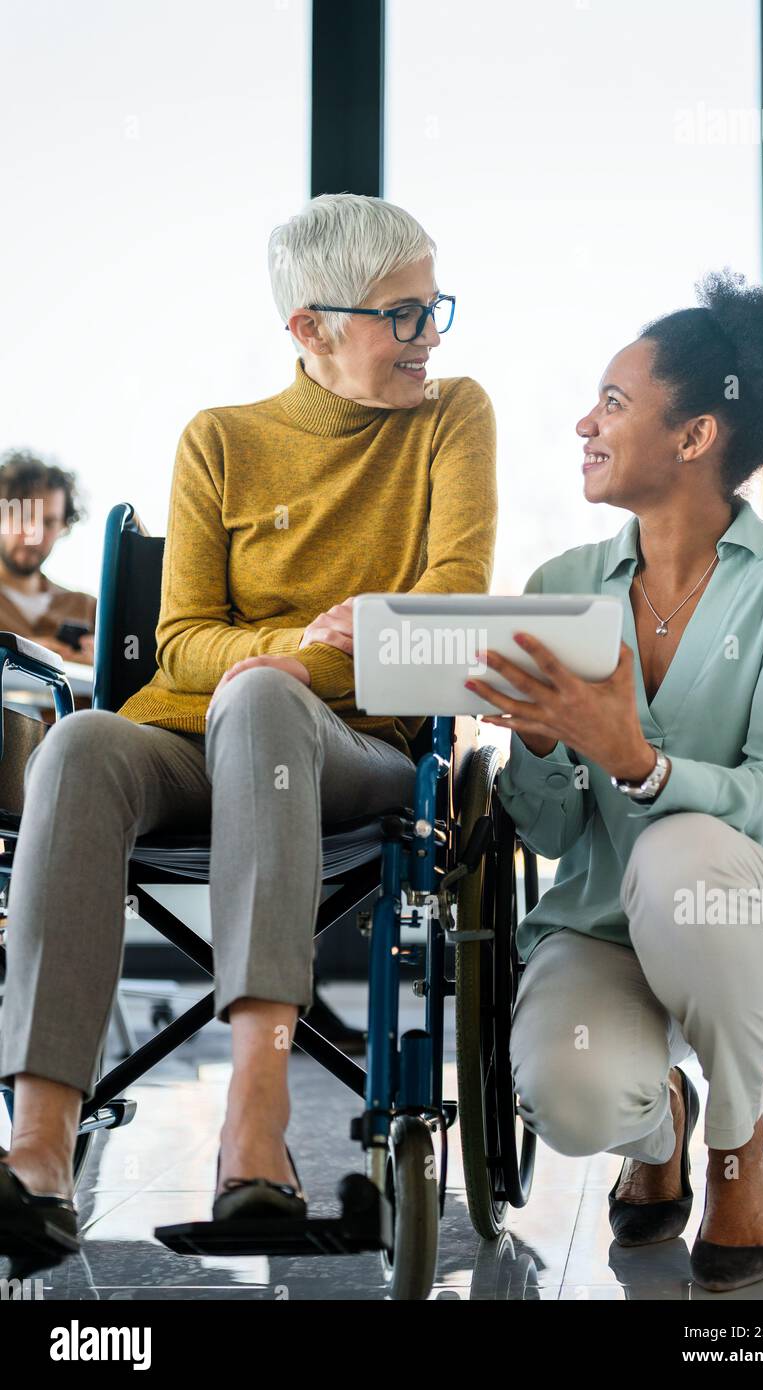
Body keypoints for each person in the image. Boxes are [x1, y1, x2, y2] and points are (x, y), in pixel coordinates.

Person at [0, 192, 497, 1273]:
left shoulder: (453, 417)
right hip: (193, 736)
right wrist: (290, 647)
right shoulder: (219, 440)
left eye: (433, 309)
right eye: (403, 317)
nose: (432, 337)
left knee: (265, 704)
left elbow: (449, 603)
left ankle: (254, 1121)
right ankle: (36, 1150)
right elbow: (180, 642)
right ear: (309, 330)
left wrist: (278, 666)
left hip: (357, 749)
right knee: (79, 747)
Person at [471, 268, 763, 1294]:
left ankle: (735, 1141)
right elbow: (549, 833)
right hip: (603, 930)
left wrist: (641, 764)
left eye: (613, 402)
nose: (583, 422)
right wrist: (547, 745)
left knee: (682, 849)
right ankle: (666, 1120)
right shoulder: (560, 589)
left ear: (694, 438)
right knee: (571, 1096)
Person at [0, 451, 96, 665]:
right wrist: (28, 655)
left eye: (49, 522)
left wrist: (102, 668)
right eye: (23, 516)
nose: (34, 534)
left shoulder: (88, 608)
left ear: (64, 526)